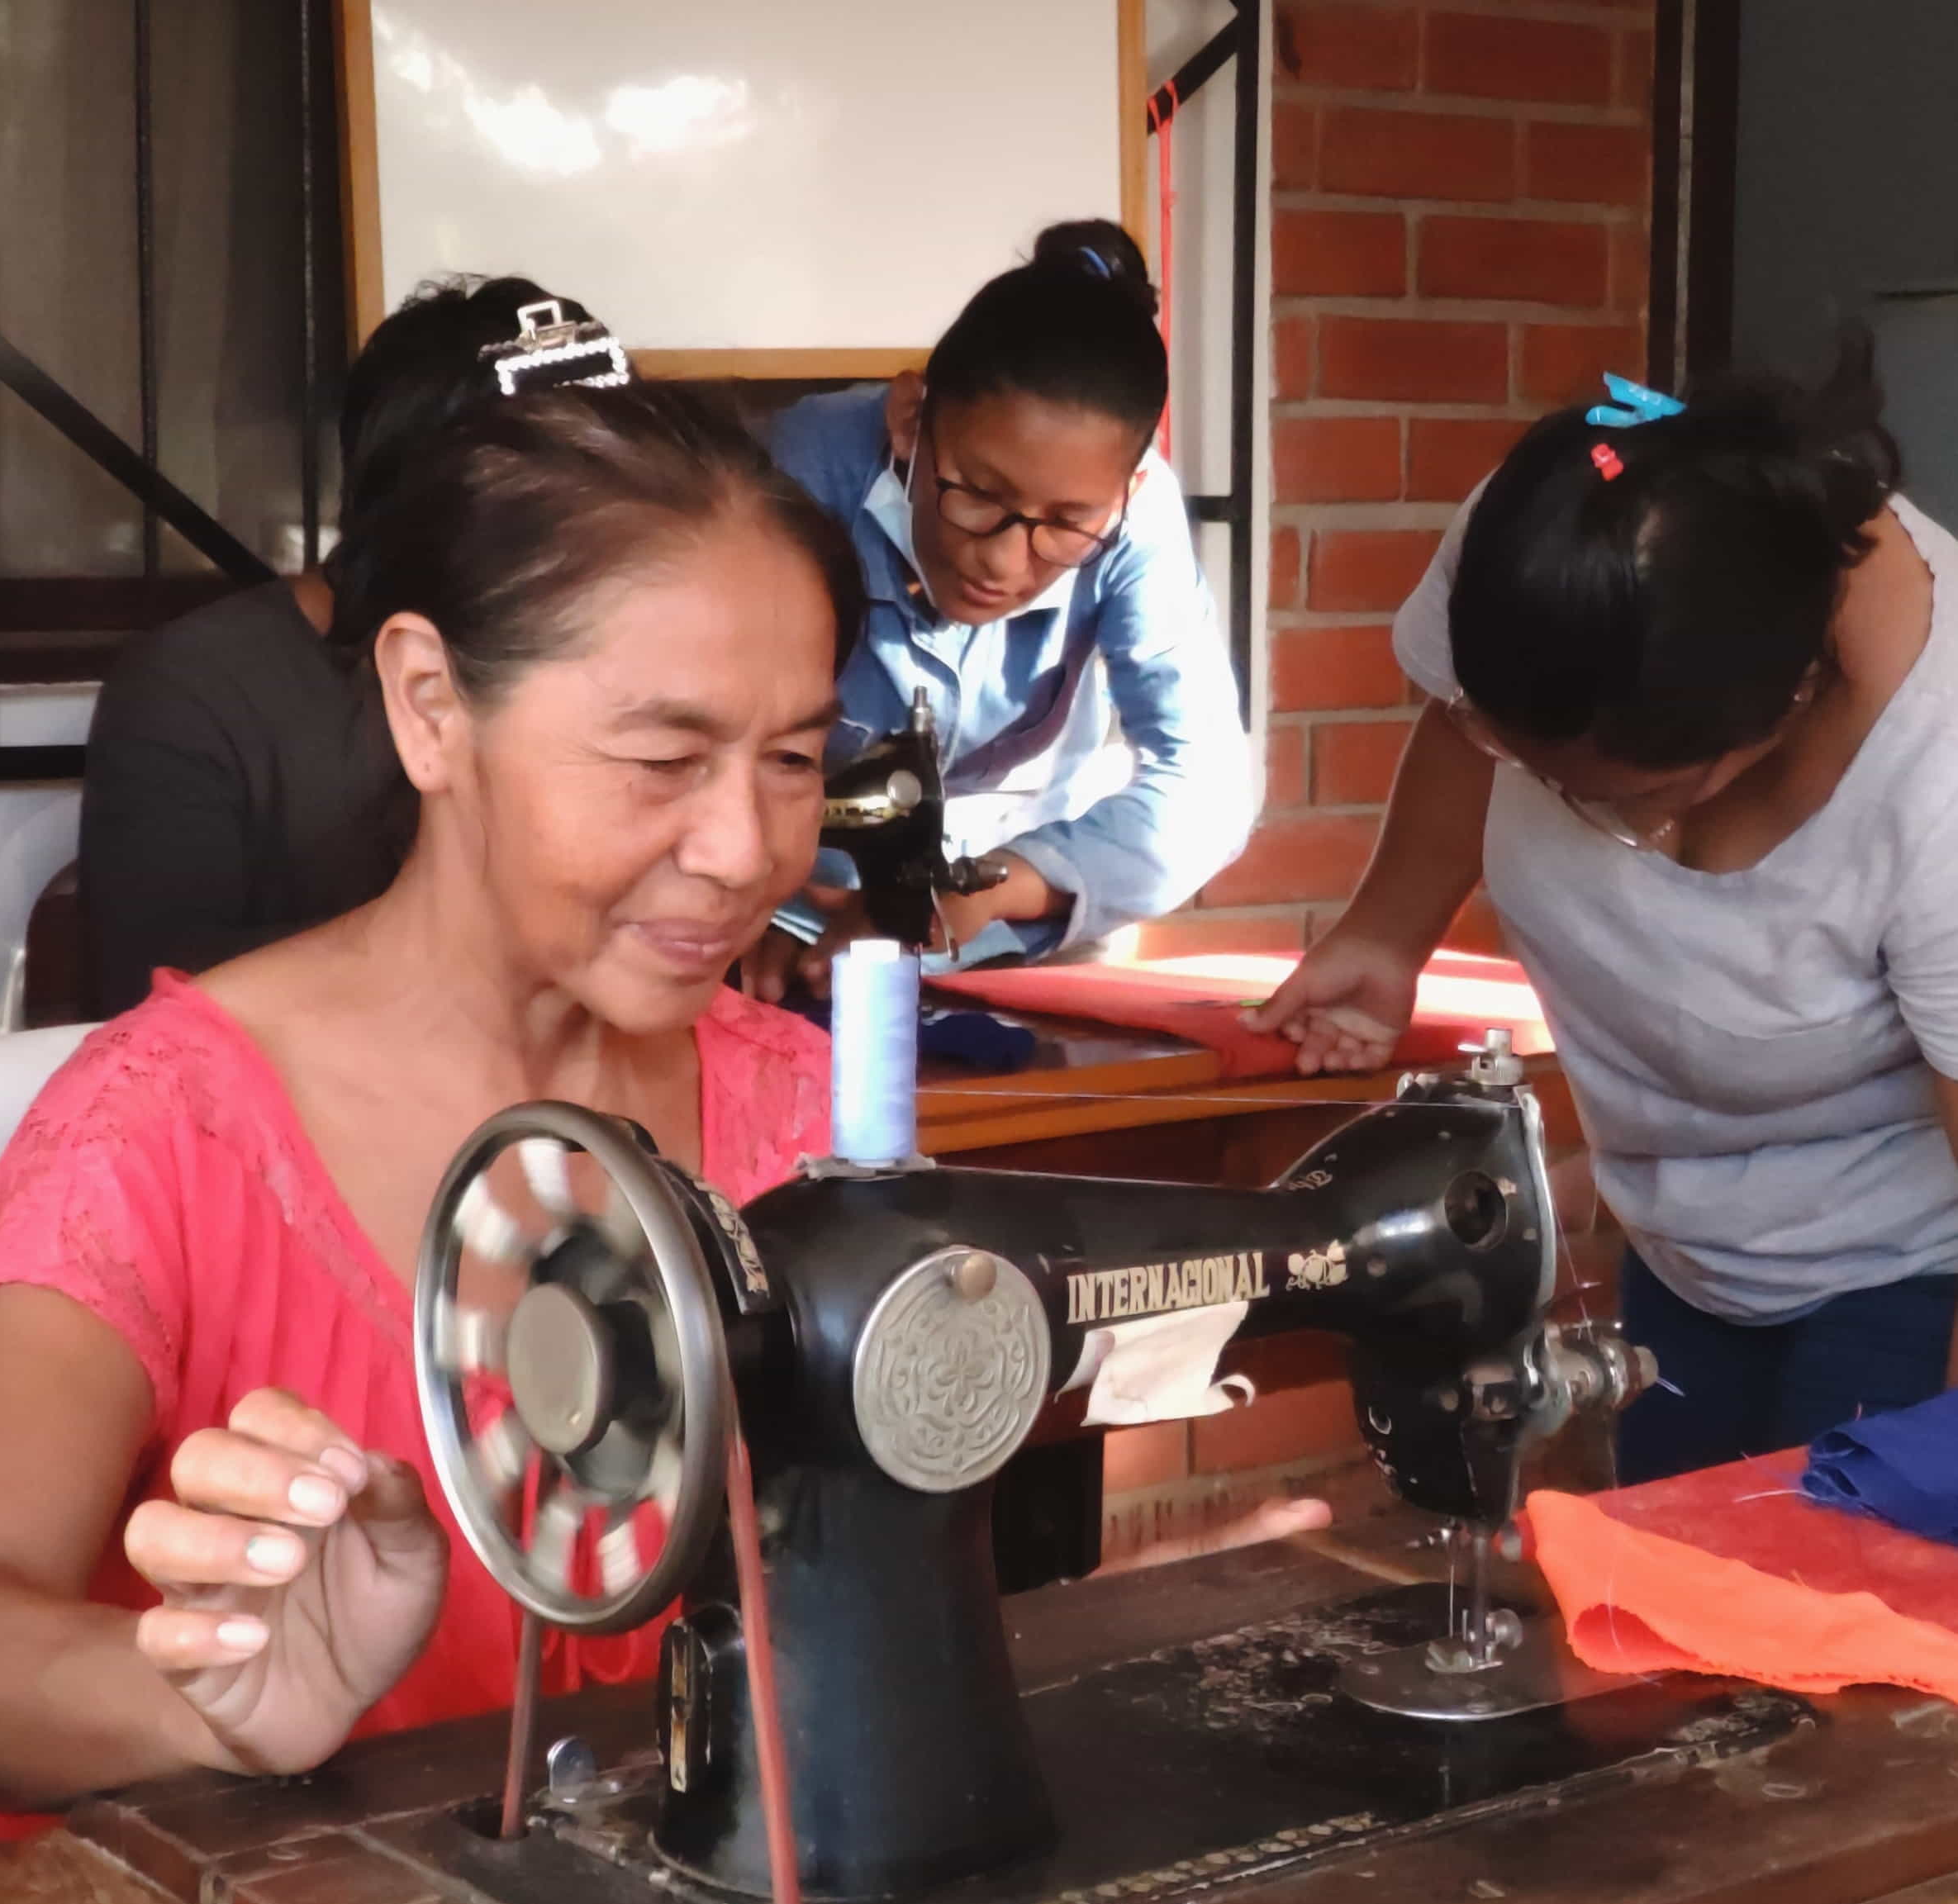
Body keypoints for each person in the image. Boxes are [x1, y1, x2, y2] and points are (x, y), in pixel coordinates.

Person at [0, 368, 861, 1807]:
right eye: (663, 758)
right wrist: (201, 1692)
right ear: (431, 702)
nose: (743, 847)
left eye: (793, 758)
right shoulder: (160, 1129)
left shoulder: (807, 1118)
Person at [1248, 349, 1958, 1484]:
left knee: (1831, 1594)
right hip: (1676, 1249)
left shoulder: (1939, 772)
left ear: (1779, 710)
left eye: (1610, 798)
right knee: (1674, 1578)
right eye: (1532, 772)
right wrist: (1386, 934)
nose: (1565, 812)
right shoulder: (1563, 532)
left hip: (1899, 1276)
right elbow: (1458, 718)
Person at [744, 220, 1253, 998]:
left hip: (1014, 922)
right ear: (910, 418)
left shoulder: (1132, 521)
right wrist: (748, 909)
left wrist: (1006, 885)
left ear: (1129, 492)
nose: (1004, 562)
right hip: (787, 916)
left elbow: (1205, 780)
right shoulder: (794, 478)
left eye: (1064, 524)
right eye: (979, 496)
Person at [78, 275, 595, 1019]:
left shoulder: (603, 665)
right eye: (562, 491)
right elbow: (150, 994)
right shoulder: (198, 685)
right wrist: (475, 949)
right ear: (417, 491)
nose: (606, 528)